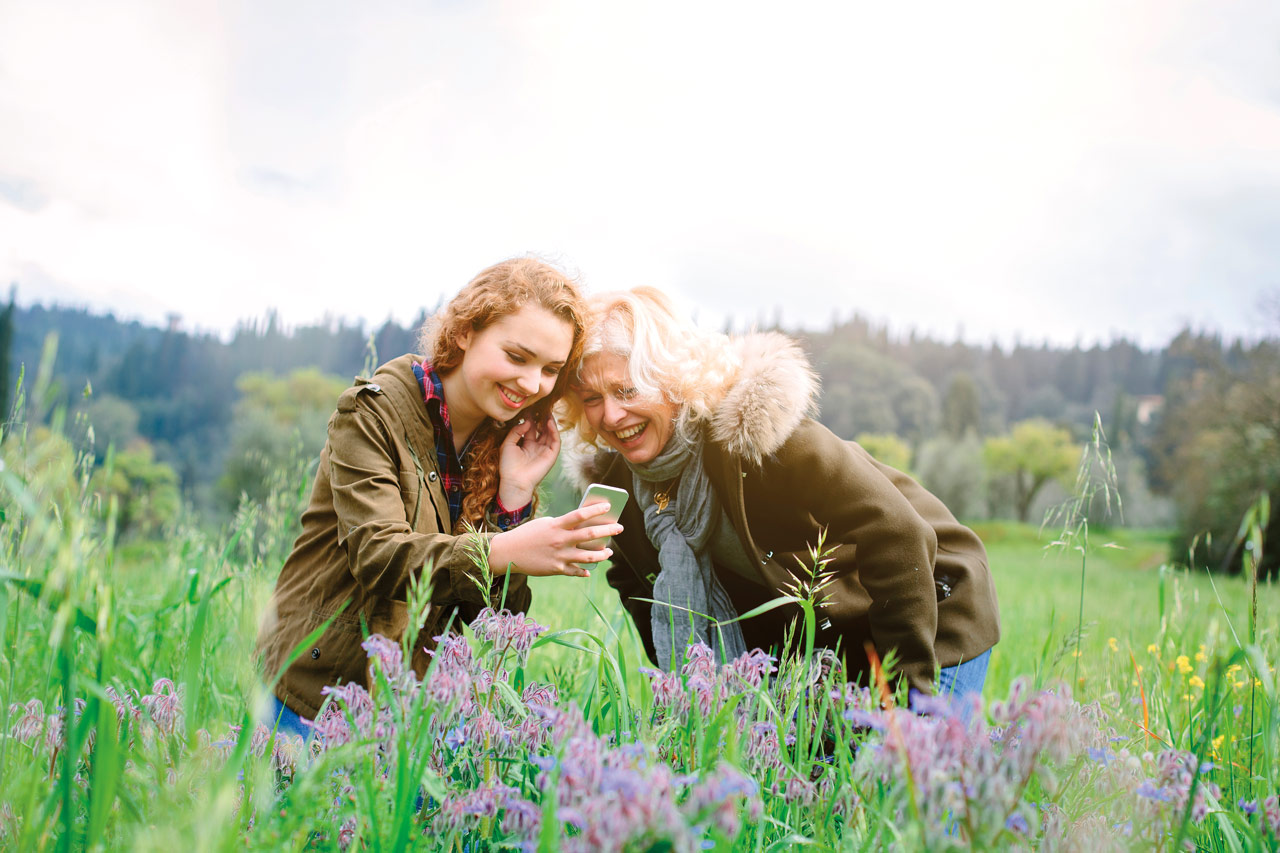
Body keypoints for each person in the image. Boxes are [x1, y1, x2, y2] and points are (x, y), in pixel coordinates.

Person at [561, 287, 1000, 704]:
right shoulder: (622, 487)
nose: (611, 415)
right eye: (592, 398)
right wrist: (692, 693)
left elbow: (896, 533)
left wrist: (904, 704)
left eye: (627, 390)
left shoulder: (759, 439)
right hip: (834, 645)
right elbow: (634, 580)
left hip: (931, 607)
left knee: (904, 757)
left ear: (672, 379)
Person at [257, 258, 623, 735]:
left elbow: (494, 620)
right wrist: (504, 549)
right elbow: (379, 556)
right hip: (315, 698)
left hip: (417, 711)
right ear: (465, 332)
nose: (533, 384)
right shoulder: (370, 414)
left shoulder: (505, 441)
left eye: (551, 369)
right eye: (517, 357)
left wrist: (513, 497)